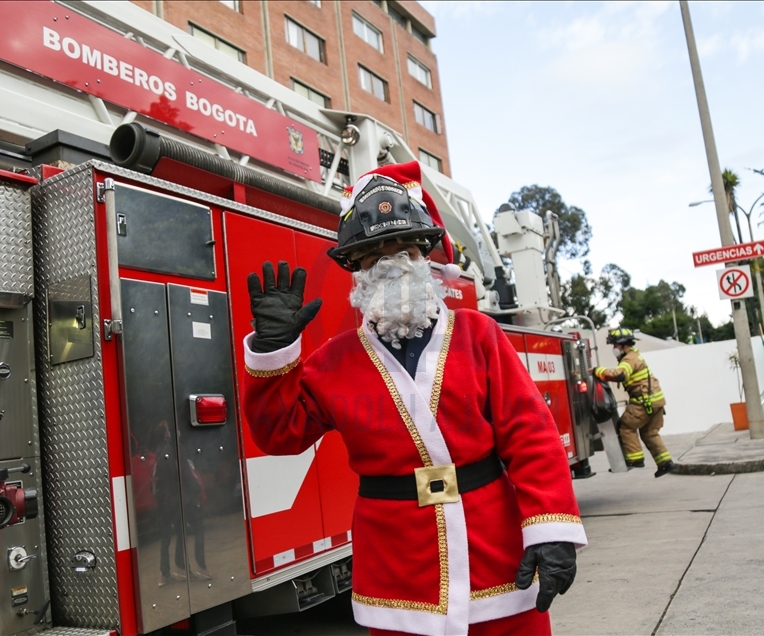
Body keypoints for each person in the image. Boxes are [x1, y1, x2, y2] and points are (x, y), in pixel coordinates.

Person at [241, 161, 586, 636]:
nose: (392, 261)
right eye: (373, 253)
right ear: (354, 268)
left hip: (495, 550)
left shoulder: (478, 334)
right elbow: (279, 434)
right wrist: (272, 352)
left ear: (426, 255)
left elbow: (530, 434)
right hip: (396, 569)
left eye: (405, 246)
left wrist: (550, 529)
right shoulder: (333, 360)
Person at [593, 328, 675, 478]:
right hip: (656, 401)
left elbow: (620, 375)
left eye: (615, 345)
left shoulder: (629, 359)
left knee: (625, 426)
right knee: (650, 433)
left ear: (624, 345)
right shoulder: (635, 356)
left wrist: (597, 371)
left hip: (643, 402)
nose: (614, 349)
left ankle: (635, 459)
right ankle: (665, 463)